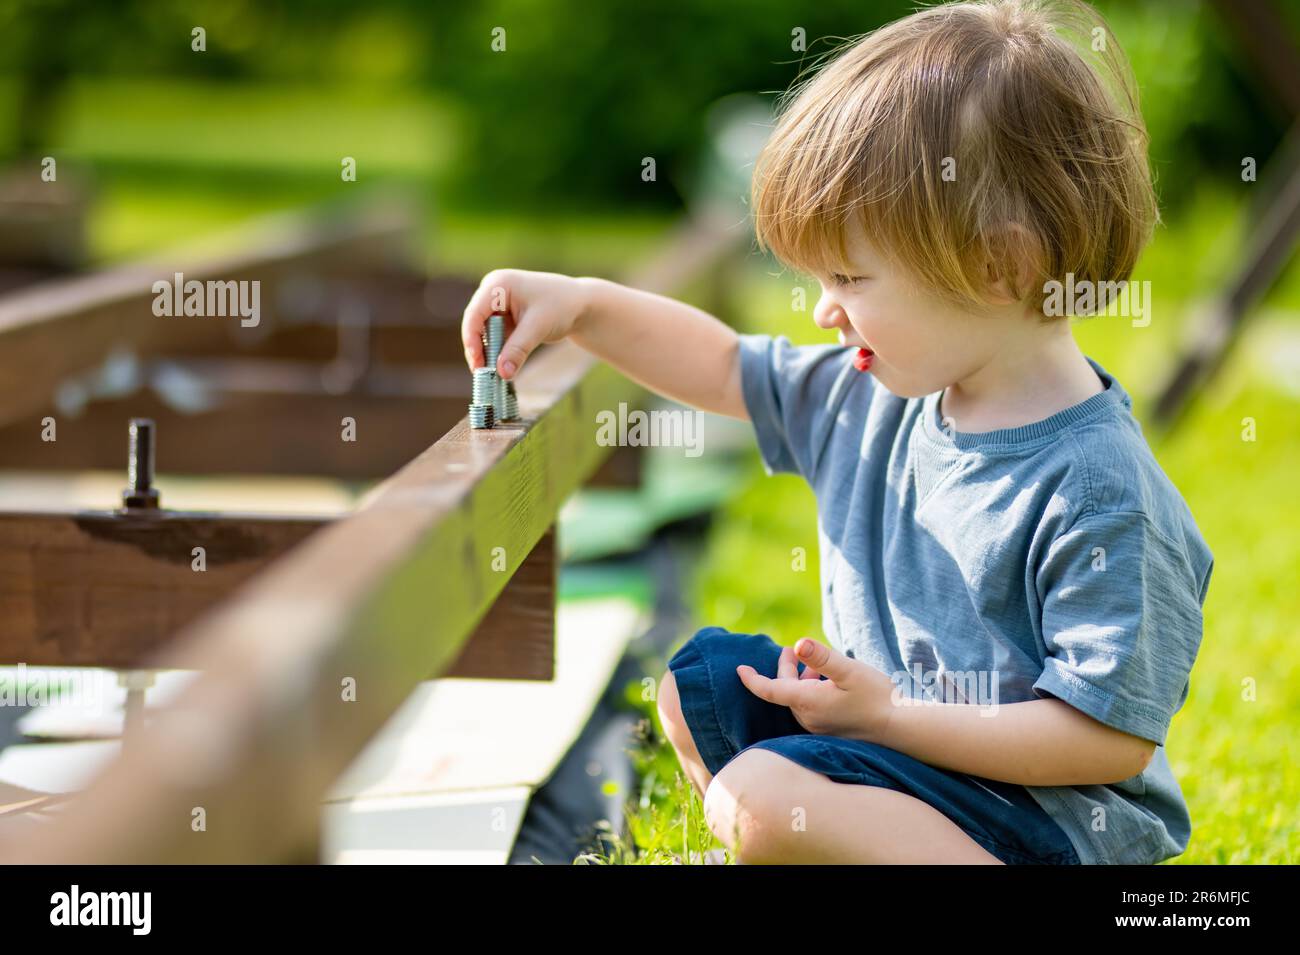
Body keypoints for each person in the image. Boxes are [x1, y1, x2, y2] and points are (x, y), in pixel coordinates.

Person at [460, 0, 1213, 864]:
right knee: (697, 681)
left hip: (1043, 818)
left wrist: (888, 714)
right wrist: (584, 305)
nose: (824, 310)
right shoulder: (878, 394)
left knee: (765, 801)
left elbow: (1105, 740)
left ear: (1000, 265)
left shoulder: (1098, 486)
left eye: (849, 276)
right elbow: (720, 365)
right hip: (895, 758)